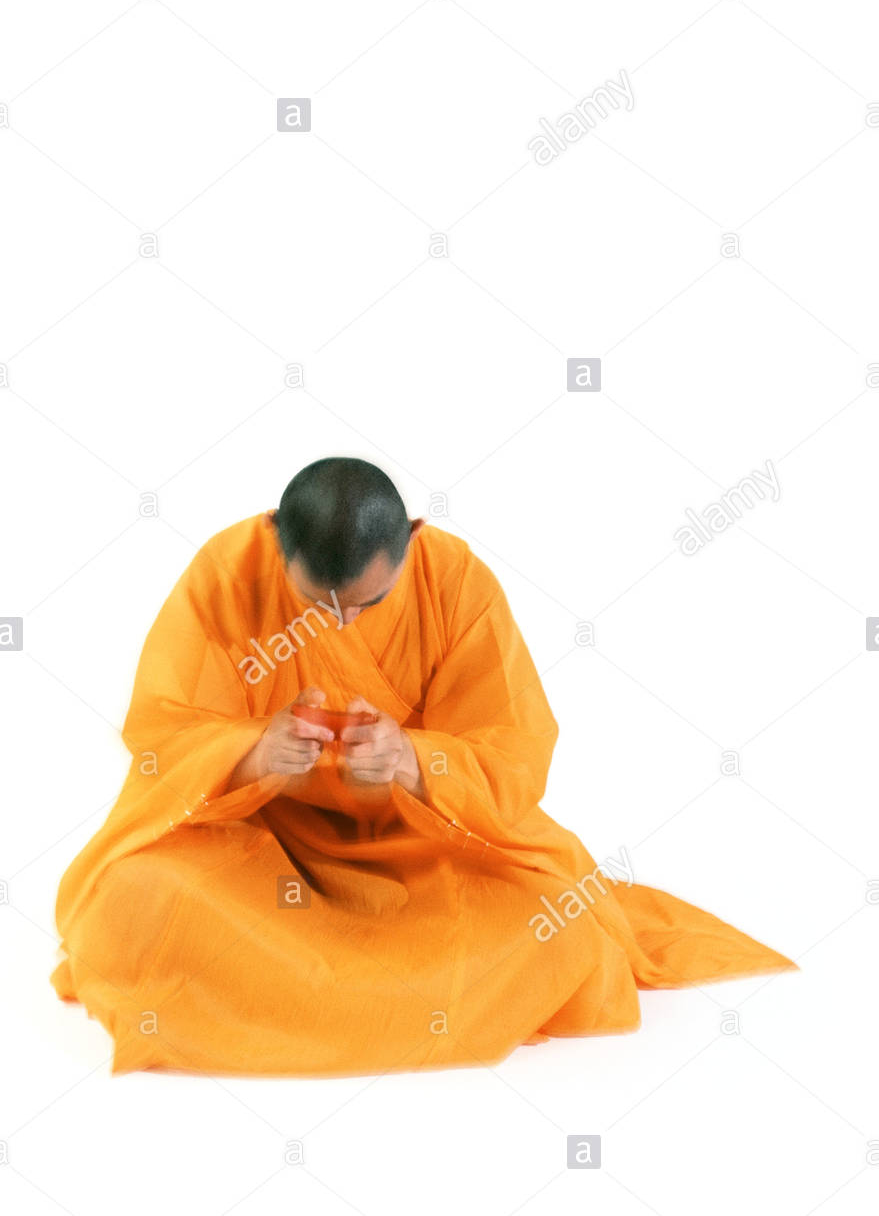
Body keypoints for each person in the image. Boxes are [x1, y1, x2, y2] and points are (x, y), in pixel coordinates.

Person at [49, 457, 796, 1077]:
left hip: (417, 853)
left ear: (410, 539)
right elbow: (161, 730)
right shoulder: (226, 571)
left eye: (365, 606)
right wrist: (249, 752)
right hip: (261, 846)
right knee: (124, 901)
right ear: (275, 540)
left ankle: (301, 996)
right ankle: (364, 996)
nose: (335, 626)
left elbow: (512, 748)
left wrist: (414, 761)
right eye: (316, 604)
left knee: (564, 930)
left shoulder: (454, 581)